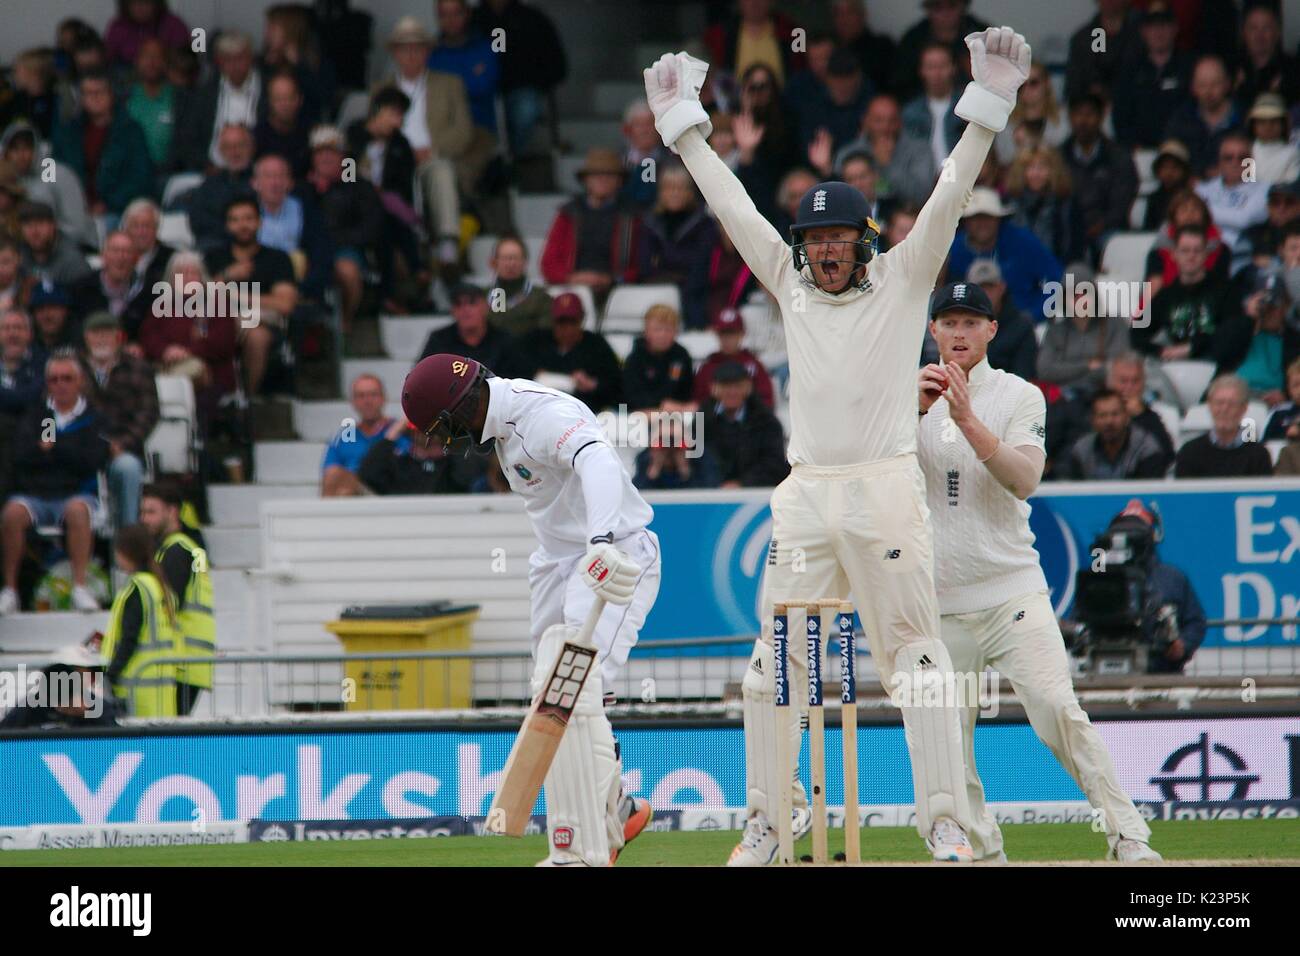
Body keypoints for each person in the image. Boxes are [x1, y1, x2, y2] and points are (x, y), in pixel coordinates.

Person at [647, 28, 1033, 865]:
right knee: (773, 672)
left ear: (863, 240)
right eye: (814, 240)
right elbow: (732, 207)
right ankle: (769, 824)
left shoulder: (902, 277)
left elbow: (950, 192)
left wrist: (988, 109)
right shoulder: (787, 282)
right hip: (807, 493)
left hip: (887, 488)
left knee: (917, 664)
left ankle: (943, 822)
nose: (825, 251)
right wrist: (685, 129)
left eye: (838, 239)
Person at [916, 281, 1159, 862]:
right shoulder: (907, 397)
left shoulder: (1020, 395)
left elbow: (1023, 479)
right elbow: (874, 475)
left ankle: (1126, 834)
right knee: (949, 741)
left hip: (1011, 591)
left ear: (992, 331)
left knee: (1056, 709)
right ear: (932, 331)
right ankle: (981, 852)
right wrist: (917, 409)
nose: (958, 333)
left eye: (971, 322)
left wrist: (967, 417)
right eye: (948, 322)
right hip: (939, 599)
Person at [401, 352, 659, 866]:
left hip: (611, 554)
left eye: (444, 427)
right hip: (557, 562)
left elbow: (599, 460)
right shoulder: (500, 426)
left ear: (460, 407)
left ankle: (589, 843)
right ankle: (614, 812)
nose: (448, 439)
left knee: (578, 690)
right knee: (550, 694)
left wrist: (601, 539)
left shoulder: (537, 415)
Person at [0, 351, 109, 615]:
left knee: (77, 512)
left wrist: (55, 449)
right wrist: (55, 452)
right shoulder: (42, 415)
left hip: (76, 493)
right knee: (12, 513)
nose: (60, 385)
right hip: (37, 494)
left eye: (67, 378)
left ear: (80, 381)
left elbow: (91, 459)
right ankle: (10, 590)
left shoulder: (92, 417)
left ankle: (80, 587)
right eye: (54, 379)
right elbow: (25, 455)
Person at [373, 17, 473, 270]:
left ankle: (448, 243)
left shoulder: (449, 83)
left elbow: (463, 130)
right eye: (404, 48)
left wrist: (432, 150)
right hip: (393, 161)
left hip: (432, 157)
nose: (410, 54)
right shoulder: (380, 89)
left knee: (440, 170)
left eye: (417, 47)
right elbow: (371, 131)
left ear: (427, 51)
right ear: (395, 53)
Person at [204, 195, 296, 396]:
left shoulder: (277, 258)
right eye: (235, 220)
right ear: (227, 225)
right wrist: (228, 275)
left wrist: (237, 296)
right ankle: (217, 396)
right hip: (219, 319)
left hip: (261, 319)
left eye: (248, 218)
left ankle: (248, 399)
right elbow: (197, 296)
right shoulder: (213, 257)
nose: (242, 225)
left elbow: (285, 304)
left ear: (259, 221)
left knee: (257, 336)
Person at [140, 482, 214, 715]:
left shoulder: (176, 551)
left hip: (180, 662)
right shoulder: (190, 548)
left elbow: (167, 606)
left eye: (151, 512)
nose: (144, 519)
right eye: (142, 513)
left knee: (167, 737)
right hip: (189, 661)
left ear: (172, 512)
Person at [81, 311, 159, 527]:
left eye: (108, 333)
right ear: (86, 337)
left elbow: (149, 413)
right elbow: (48, 411)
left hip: (122, 450)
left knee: (129, 468)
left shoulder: (139, 368)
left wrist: (123, 444)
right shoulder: (72, 369)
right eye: (96, 333)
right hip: (79, 451)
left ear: (119, 337)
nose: (102, 339)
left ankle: (127, 541)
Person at [304, 124, 383, 333]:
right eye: (320, 152)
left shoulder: (358, 186)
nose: (325, 157)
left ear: (343, 156)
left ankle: (345, 322)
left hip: (345, 248)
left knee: (348, 270)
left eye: (332, 151)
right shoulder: (303, 189)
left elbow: (371, 227)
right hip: (309, 251)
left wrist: (337, 240)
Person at [101, 523, 184, 717]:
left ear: (123, 552)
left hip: (136, 687)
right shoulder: (160, 586)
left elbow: (130, 638)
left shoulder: (138, 588)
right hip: (161, 687)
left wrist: (110, 675)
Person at [51, 70, 155, 223]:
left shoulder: (131, 130)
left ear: (111, 94)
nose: (95, 97)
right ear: (81, 98)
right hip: (73, 208)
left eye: (100, 92)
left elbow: (140, 177)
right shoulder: (68, 132)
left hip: (116, 210)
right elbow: (55, 169)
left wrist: (107, 204)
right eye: (88, 93)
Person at [540, 148, 642, 300]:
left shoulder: (632, 218)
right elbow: (549, 263)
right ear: (586, 180)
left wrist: (611, 280)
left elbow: (641, 265)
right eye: (596, 175)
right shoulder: (567, 214)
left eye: (609, 175)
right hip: (572, 290)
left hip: (619, 291)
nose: (602, 180)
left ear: (619, 181)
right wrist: (573, 279)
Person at [470, 0, 568, 156]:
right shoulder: (472, 19)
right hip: (479, 92)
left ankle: (512, 158)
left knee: (526, 109)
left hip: (521, 89)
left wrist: (533, 77)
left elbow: (556, 63)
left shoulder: (532, 19)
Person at [947, 187, 1063, 318]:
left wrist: (1036, 314)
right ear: (966, 222)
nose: (982, 224)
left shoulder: (1022, 242)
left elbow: (1056, 279)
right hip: (972, 324)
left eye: (988, 217)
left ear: (998, 219)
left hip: (1026, 322)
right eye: (976, 218)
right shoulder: (955, 250)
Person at [1136, 226, 1238, 365]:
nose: (1191, 256)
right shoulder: (1166, 295)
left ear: (1206, 254)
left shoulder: (1226, 290)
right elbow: (1136, 333)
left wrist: (1192, 348)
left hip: (1214, 364)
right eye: (1185, 251)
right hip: (1175, 365)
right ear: (1174, 254)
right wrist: (1160, 351)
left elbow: (1233, 331)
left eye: (1197, 251)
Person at [637, 165, 719, 329]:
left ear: (690, 192)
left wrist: (663, 260)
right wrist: (677, 264)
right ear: (660, 192)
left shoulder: (704, 224)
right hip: (657, 292)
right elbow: (645, 265)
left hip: (695, 293)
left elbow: (700, 263)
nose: (675, 193)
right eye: (669, 187)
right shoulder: (650, 222)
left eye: (680, 188)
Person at [1061, 93, 1138, 266]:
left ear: (1101, 117)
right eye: (1077, 114)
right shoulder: (1059, 156)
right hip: (1070, 230)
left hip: (1108, 228)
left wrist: (1100, 225)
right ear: (1070, 117)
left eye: (1089, 114)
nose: (1083, 121)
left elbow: (1122, 203)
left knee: (1111, 243)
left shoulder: (1119, 157)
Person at [511, 292, 622, 412]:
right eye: (562, 322)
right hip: (538, 410)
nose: (567, 329)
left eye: (572, 322)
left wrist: (593, 384)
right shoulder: (535, 342)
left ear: (582, 319)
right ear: (552, 321)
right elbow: (514, 372)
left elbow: (616, 384)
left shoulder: (596, 346)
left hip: (584, 411)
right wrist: (534, 374)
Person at [171, 32, 263, 174]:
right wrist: (205, 166)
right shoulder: (203, 94)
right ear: (219, 62)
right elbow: (187, 139)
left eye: (240, 58)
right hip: (211, 171)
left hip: (259, 172)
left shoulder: (268, 89)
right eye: (228, 59)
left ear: (251, 58)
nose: (234, 65)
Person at [1037, 260, 1131, 391]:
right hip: (1065, 399)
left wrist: (1066, 371)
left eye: (1085, 292)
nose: (1080, 299)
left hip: (1105, 395)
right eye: (1074, 294)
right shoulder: (1055, 332)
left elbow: (1117, 368)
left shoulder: (1115, 324)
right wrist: (1087, 365)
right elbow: (1045, 371)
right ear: (1064, 297)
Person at [1110, 1, 1193, 150]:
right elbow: (1120, 116)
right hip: (1138, 152)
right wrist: (1131, 145)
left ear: (1175, 29)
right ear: (1143, 31)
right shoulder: (1130, 70)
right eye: (1152, 26)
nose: (1158, 32)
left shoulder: (1189, 68)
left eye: (1164, 25)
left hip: (1180, 151)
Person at [3, 123, 97, 252]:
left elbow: (77, 227)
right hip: (27, 252)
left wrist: (44, 236)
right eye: (15, 149)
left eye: (27, 148)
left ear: (37, 149)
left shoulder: (57, 174)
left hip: (74, 249)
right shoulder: (7, 181)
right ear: (6, 153)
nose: (21, 155)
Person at [832, 94, 936, 209]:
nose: (885, 127)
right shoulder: (848, 152)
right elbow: (838, 195)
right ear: (865, 121)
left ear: (900, 122)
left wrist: (889, 165)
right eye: (878, 121)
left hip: (906, 218)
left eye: (892, 121)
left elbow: (921, 195)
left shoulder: (919, 150)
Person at [702, 361, 789, 488]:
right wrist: (717, 485)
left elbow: (774, 464)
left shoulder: (767, 422)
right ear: (714, 388)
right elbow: (697, 461)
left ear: (748, 387)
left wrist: (742, 484)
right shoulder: (702, 420)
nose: (732, 392)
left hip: (757, 496)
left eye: (737, 386)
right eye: (726, 386)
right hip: (708, 496)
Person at [1056, 387, 1169, 480]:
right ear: (1093, 420)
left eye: (1115, 414)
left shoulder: (1146, 448)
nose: (1109, 421)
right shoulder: (1082, 450)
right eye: (1102, 415)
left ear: (1126, 416)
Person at [0, 641, 119, 728]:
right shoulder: (32, 706)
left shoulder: (98, 706)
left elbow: (116, 742)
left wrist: (84, 714)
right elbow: (7, 740)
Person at [1174, 374, 1273, 477]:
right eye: (1219, 403)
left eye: (1232, 404)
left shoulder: (1258, 455)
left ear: (1244, 408)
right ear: (1210, 406)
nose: (1224, 409)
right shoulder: (1190, 452)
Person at [1195, 133, 1269, 265]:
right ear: (1219, 162)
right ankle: (1146, 286)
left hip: (1241, 257)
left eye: (1242, 157)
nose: (1235, 162)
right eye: (1228, 158)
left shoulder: (1264, 189)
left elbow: (1243, 219)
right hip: (1200, 254)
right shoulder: (1202, 189)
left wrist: (1204, 210)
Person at [1163, 56, 1242, 179]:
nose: (1208, 91)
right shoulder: (1181, 120)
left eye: (1215, 84)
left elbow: (1255, 167)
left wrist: (1230, 175)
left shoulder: (1244, 118)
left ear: (1227, 84)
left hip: (1237, 190)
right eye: (1202, 85)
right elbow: (1169, 161)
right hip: (1189, 191)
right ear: (1193, 87)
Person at [320, 374, 399, 497]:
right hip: (351, 494)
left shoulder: (400, 431)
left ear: (384, 398)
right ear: (352, 402)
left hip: (390, 493)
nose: (367, 401)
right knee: (336, 478)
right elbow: (329, 472)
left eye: (373, 394)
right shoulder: (343, 436)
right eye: (361, 396)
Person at [357, 417, 478, 495]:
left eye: (435, 426)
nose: (427, 432)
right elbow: (368, 474)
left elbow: (467, 476)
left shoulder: (454, 463)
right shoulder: (400, 462)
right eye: (420, 426)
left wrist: (453, 431)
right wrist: (396, 430)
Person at [184, 123, 257, 252]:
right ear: (221, 151)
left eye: (239, 145)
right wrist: (232, 230)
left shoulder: (263, 180)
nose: (234, 152)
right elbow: (197, 221)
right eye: (228, 147)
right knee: (182, 269)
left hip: (258, 249)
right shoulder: (209, 184)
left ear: (251, 147)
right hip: (217, 249)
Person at [70, 232, 151, 341]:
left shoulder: (147, 292)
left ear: (136, 259)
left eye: (127, 252)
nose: (121, 257)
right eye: (115, 251)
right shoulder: (81, 289)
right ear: (103, 255)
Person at [418, 283, 515, 371]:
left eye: (472, 303)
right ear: (453, 311)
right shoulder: (439, 340)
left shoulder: (504, 340)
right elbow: (421, 376)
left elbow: (519, 382)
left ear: (486, 307)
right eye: (458, 304)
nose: (465, 309)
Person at [901, 43, 963, 178]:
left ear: (953, 68)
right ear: (922, 71)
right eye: (931, 67)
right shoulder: (910, 113)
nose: (937, 73)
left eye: (942, 66)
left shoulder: (967, 106)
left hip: (963, 180)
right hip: (924, 183)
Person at [0, 309, 43, 503]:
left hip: (35, 429)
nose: (12, 334)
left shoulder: (43, 362)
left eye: (18, 328)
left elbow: (34, 396)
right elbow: (25, 396)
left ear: (30, 334)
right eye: (6, 328)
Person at [693, 307, 775, 408]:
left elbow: (767, 403)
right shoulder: (707, 367)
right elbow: (696, 405)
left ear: (742, 334)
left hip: (747, 421)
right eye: (723, 334)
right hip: (713, 421)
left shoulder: (754, 366)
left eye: (732, 333)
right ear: (717, 335)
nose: (727, 339)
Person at [1064, 0, 1142, 104]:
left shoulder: (1145, 36)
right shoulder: (1081, 40)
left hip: (1133, 110)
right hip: (1091, 113)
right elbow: (1072, 88)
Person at [621, 305, 694, 413]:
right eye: (657, 329)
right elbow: (631, 396)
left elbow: (687, 390)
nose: (662, 335)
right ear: (646, 332)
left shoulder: (681, 356)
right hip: (641, 414)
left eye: (668, 330)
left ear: (676, 332)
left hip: (676, 412)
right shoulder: (635, 359)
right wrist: (660, 404)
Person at [1005, 144, 1072, 264]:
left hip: (1055, 267)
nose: (1036, 174)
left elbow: (1069, 245)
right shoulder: (1010, 202)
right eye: (1030, 167)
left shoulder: (1064, 202)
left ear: (1053, 170)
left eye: (1042, 167)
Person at [1106, 352, 1176, 462]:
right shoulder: (1091, 412)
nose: (1129, 387)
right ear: (1109, 383)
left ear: (1144, 383)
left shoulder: (1151, 416)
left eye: (1135, 381)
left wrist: (1141, 415)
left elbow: (1167, 456)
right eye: (1123, 381)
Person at [124, 37, 177, 175]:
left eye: (157, 57)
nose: (152, 62)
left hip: (170, 172)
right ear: (137, 61)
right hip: (132, 172)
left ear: (166, 63)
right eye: (146, 56)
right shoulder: (124, 97)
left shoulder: (179, 98)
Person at [484, 236, 552, 337]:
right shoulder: (483, 296)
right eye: (505, 258)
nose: (511, 264)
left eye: (515, 258)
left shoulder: (541, 298)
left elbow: (545, 334)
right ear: (494, 262)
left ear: (525, 262)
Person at [254, 70, 313, 178]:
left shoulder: (312, 134)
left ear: (300, 100)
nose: (285, 104)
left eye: (289, 98)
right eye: (278, 99)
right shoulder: (256, 137)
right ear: (269, 101)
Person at [19, 202, 92, 288]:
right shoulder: (19, 255)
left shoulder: (73, 261)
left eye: (40, 224)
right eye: (28, 225)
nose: (34, 232)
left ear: (53, 225)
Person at [105, 0, 190, 68]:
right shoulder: (118, 27)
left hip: (166, 80)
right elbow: (106, 59)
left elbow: (185, 62)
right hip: (126, 81)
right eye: (134, 2)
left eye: (146, 2)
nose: (140, 7)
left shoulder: (174, 25)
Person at [1245, 93, 1300, 187]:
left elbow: (1288, 185)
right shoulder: (1246, 151)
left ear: (1283, 124)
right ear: (1253, 125)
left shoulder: (1293, 154)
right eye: (1262, 121)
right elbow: (1243, 183)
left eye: (1274, 121)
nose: (1268, 127)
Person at [1142, 140, 1194, 232]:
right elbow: (1147, 230)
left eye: (1174, 167)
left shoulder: (1192, 198)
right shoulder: (1154, 199)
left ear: (1184, 171)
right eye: (1164, 167)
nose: (1169, 173)